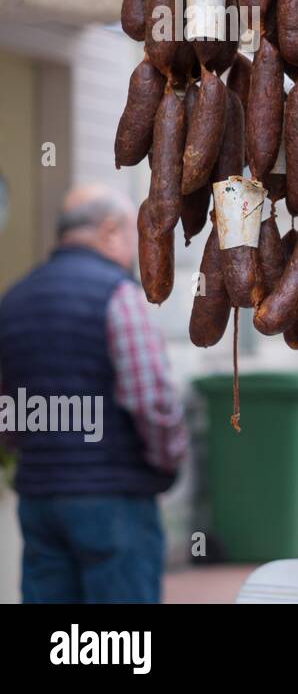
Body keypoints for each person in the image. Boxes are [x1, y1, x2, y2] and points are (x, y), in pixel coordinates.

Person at [0, 185, 188, 603]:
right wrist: (167, 462)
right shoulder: (118, 295)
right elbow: (151, 400)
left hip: (39, 499)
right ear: (109, 231)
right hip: (114, 499)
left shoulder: (12, 301)